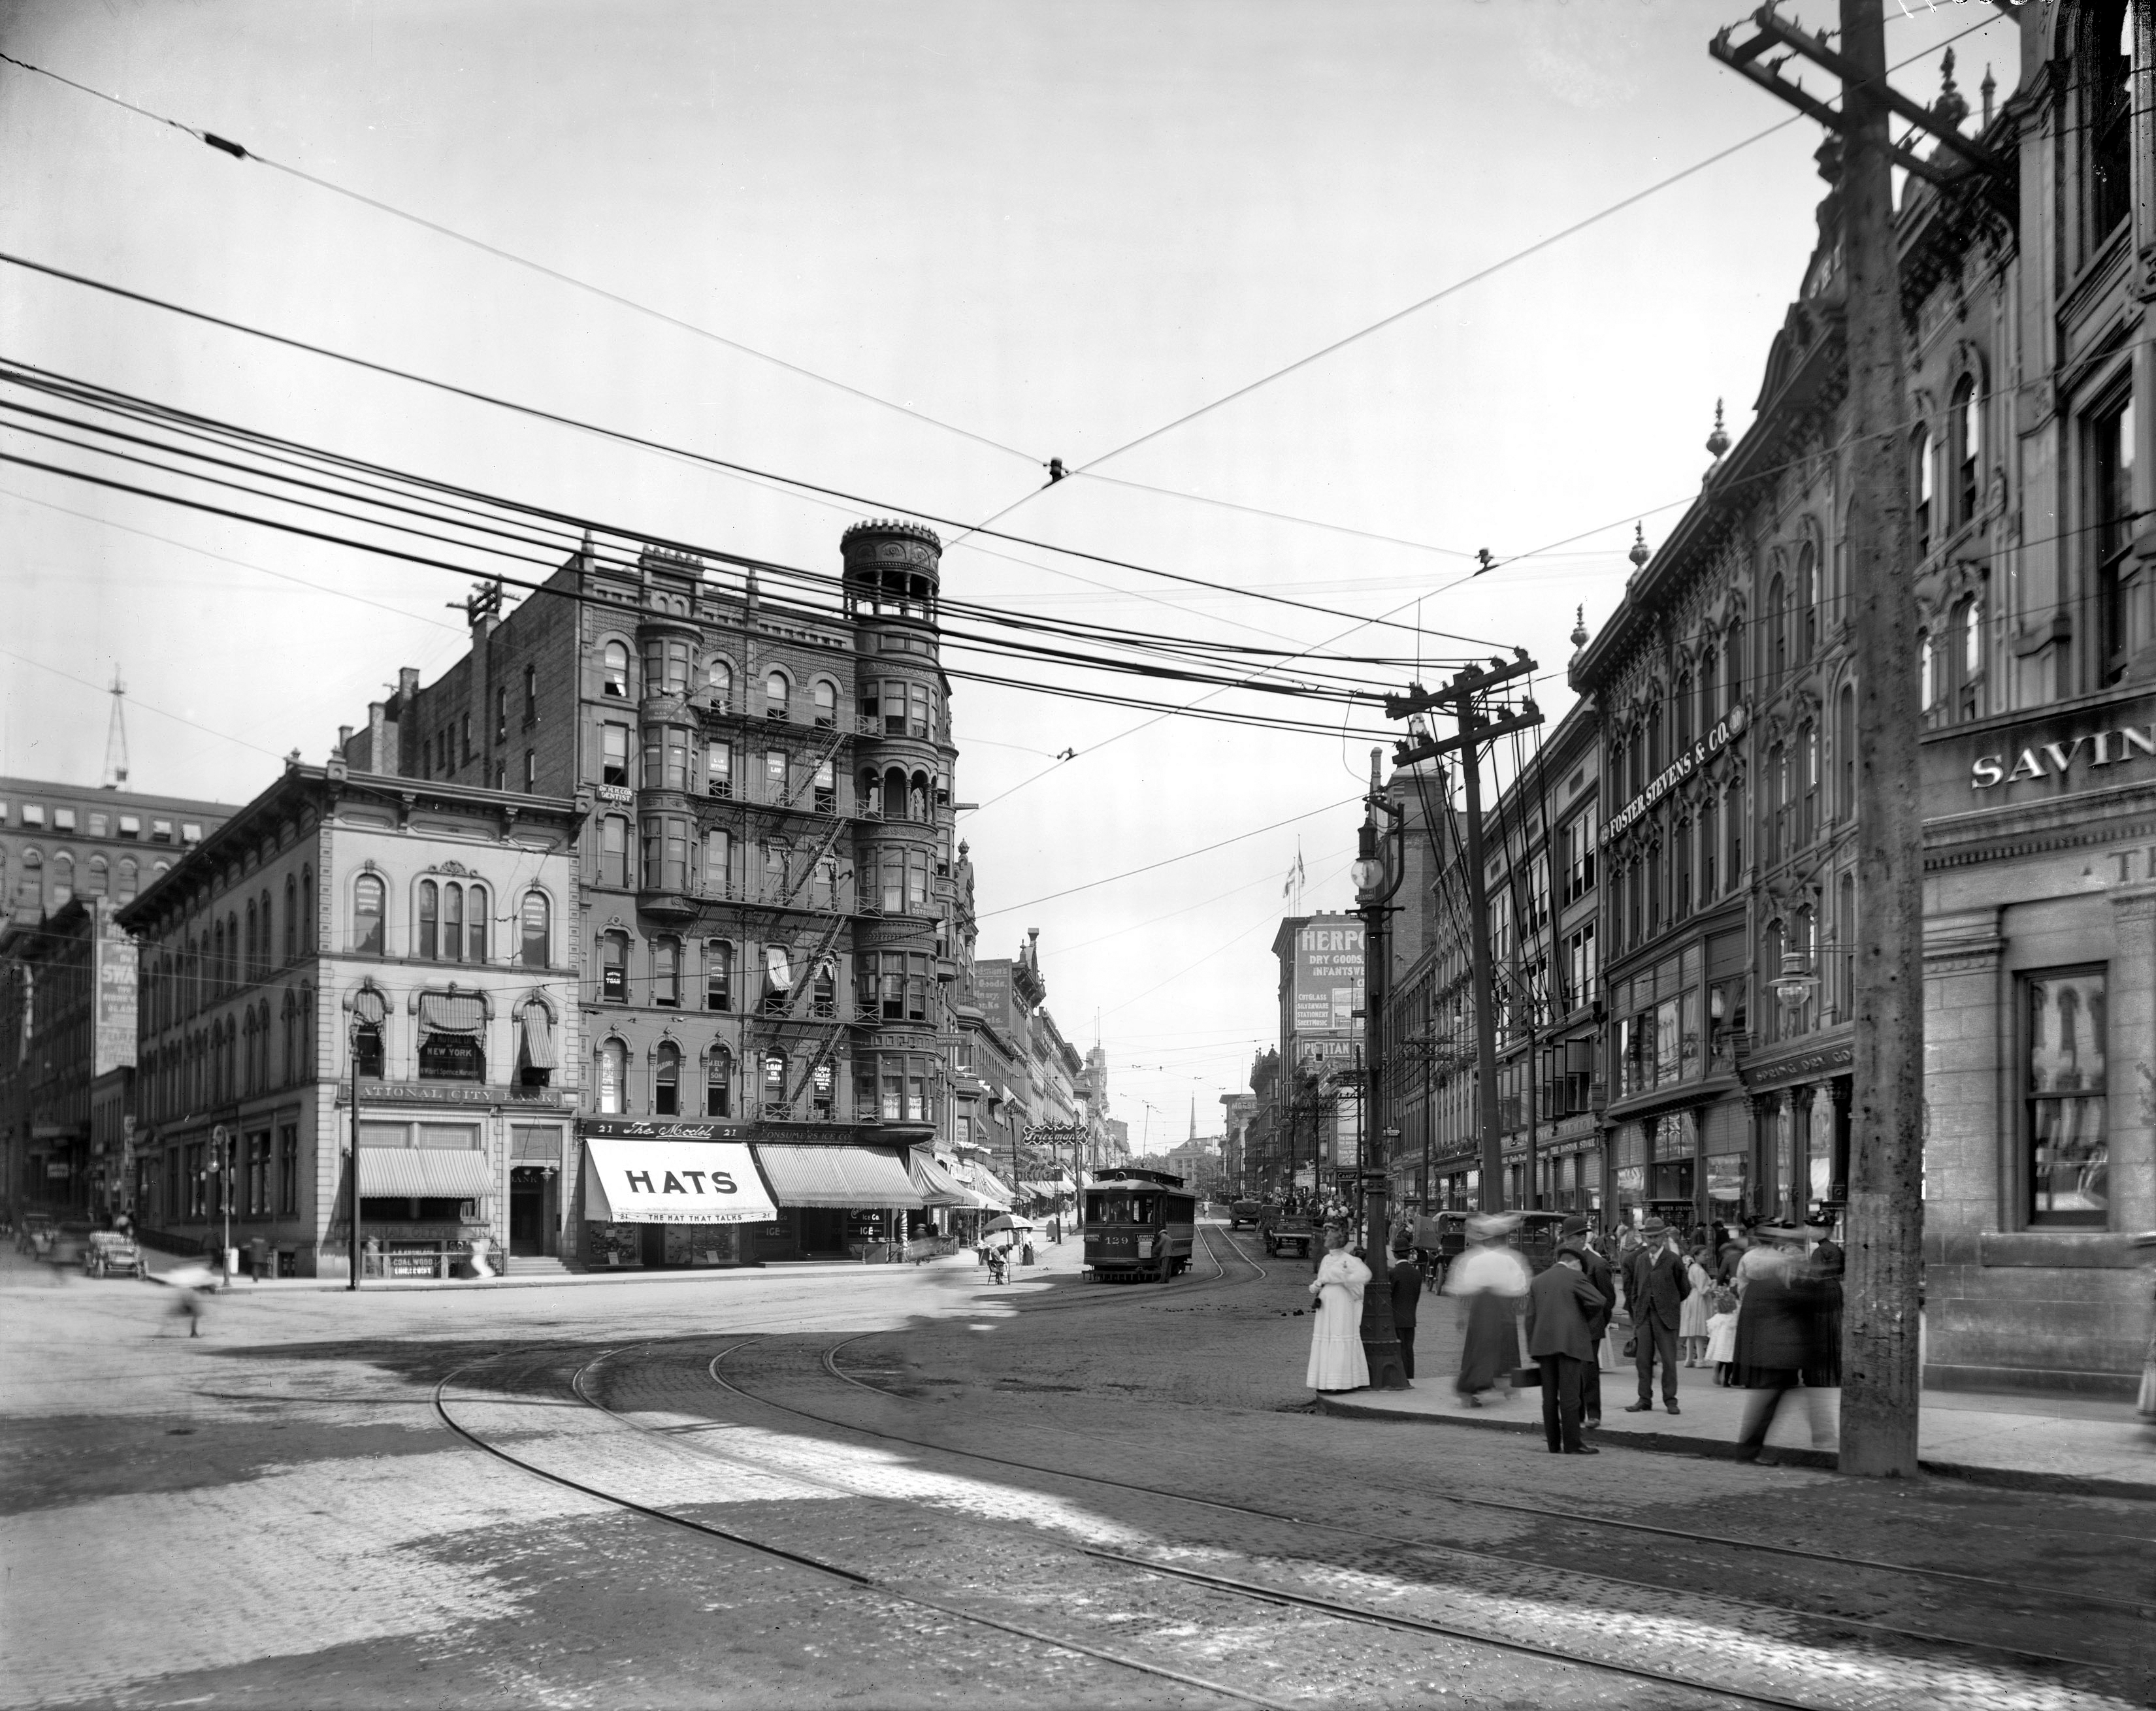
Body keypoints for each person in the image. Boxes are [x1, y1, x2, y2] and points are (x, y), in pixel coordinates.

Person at [1731, 1222, 1834, 1460]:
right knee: (1770, 1404)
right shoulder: (1783, 1287)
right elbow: (1812, 1302)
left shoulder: (1760, 1285)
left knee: (1776, 1401)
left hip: (1776, 1352)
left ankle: (1821, 1433)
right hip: (1781, 1354)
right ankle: (1750, 1450)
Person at [1527, 1244, 1607, 1454]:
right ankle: (1573, 1444)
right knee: (1571, 1397)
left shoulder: (1538, 1281)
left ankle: (1553, 1445)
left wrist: (1532, 1348)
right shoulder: (1575, 1277)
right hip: (1570, 1344)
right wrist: (1581, 1321)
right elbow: (1598, 1301)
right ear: (1576, 1262)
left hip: (1543, 1346)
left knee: (1549, 1397)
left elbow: (1530, 1319)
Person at [1445, 1213, 1528, 1407]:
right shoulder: (1510, 1258)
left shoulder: (1470, 1258)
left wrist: (1461, 1316)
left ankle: (1475, 1386)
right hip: (1501, 1310)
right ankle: (1500, 1385)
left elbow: (1460, 1288)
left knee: (1479, 1349)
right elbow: (1520, 1288)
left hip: (1479, 1311)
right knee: (1502, 1349)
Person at [1622, 1218, 1692, 1414]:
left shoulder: (1673, 1260)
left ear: (1663, 1237)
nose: (1652, 1241)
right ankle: (1644, 1399)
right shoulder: (1641, 1260)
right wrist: (1637, 1312)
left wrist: (1668, 1303)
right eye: (1648, 1237)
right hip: (1644, 1316)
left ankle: (1671, 1400)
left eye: (1655, 1237)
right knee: (1642, 1360)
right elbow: (1635, 1288)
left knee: (1669, 1361)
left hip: (1666, 1318)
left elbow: (1685, 1289)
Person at [1559, 1213, 1613, 1427]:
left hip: (1590, 1326)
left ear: (1582, 1239)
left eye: (1569, 1239)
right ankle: (1576, 1413)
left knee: (1588, 1372)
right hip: (1569, 1326)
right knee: (1571, 1372)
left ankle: (1593, 1414)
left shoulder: (1597, 1265)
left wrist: (1599, 1322)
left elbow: (1608, 1299)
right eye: (1564, 1239)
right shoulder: (1564, 1260)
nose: (1565, 1243)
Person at [1306, 1228, 1372, 1393]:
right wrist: (1316, 1286)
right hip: (1326, 1304)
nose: (1326, 1238)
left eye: (1329, 1236)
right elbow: (1321, 1278)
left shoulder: (1348, 1259)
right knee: (1327, 1338)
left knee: (1339, 1336)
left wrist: (1344, 1279)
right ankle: (1325, 1382)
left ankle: (1342, 1382)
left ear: (1337, 1241)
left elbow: (1365, 1275)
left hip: (1341, 1302)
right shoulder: (1326, 1259)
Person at [1388, 1233, 1422, 1382]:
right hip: (1410, 1317)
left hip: (1395, 1317)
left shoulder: (1393, 1273)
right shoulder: (1416, 1273)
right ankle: (1410, 1377)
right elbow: (1416, 1296)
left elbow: (1389, 1296)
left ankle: (1400, 1377)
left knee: (1399, 1349)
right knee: (1409, 1349)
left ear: (1395, 1254)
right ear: (1409, 1253)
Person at [1680, 1245, 1713, 1366]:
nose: (1707, 1257)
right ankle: (1700, 1359)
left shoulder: (1692, 1268)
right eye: (1705, 1255)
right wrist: (1713, 1288)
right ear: (1696, 1256)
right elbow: (1703, 1289)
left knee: (1691, 1331)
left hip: (1691, 1297)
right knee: (1699, 1330)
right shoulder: (1698, 1270)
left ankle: (1689, 1359)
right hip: (1698, 1299)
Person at [1705, 1282, 1740, 1385]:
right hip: (1730, 1345)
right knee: (1730, 1362)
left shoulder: (1718, 1317)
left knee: (1721, 1361)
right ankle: (1726, 1380)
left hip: (1720, 1344)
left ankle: (1718, 1372)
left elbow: (1711, 1328)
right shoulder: (1733, 1318)